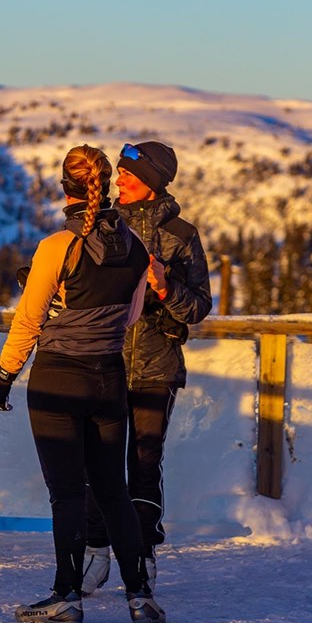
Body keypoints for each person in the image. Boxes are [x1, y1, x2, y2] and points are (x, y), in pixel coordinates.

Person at [0, 144, 165, 623]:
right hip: (109, 378)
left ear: (64, 187)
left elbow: (29, 320)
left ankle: (66, 595)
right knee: (113, 491)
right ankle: (139, 595)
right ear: (103, 186)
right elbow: (129, 317)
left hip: (59, 378)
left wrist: (3, 377)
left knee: (66, 494)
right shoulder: (136, 249)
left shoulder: (56, 248)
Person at [81, 141, 212, 598]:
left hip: (157, 366)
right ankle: (94, 552)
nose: (119, 180)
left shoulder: (181, 234)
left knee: (143, 462)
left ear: (152, 181)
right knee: (97, 463)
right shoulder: (100, 224)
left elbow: (197, 307)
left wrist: (165, 286)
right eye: (118, 172)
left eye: (128, 174)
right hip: (103, 362)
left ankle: (141, 557)